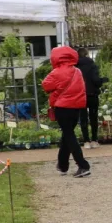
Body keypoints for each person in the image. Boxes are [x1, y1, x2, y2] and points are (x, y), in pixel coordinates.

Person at [41, 46, 92, 178]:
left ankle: (83, 165)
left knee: (69, 135)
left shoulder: (56, 72)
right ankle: (63, 165)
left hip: (62, 108)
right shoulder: (77, 72)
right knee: (67, 134)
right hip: (76, 107)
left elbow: (46, 85)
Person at [75, 47, 104, 149]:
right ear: (87, 54)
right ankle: (94, 140)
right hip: (92, 94)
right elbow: (96, 80)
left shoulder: (75, 67)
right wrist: (102, 81)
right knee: (93, 118)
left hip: (80, 95)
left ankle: (86, 141)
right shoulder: (92, 65)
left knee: (83, 118)